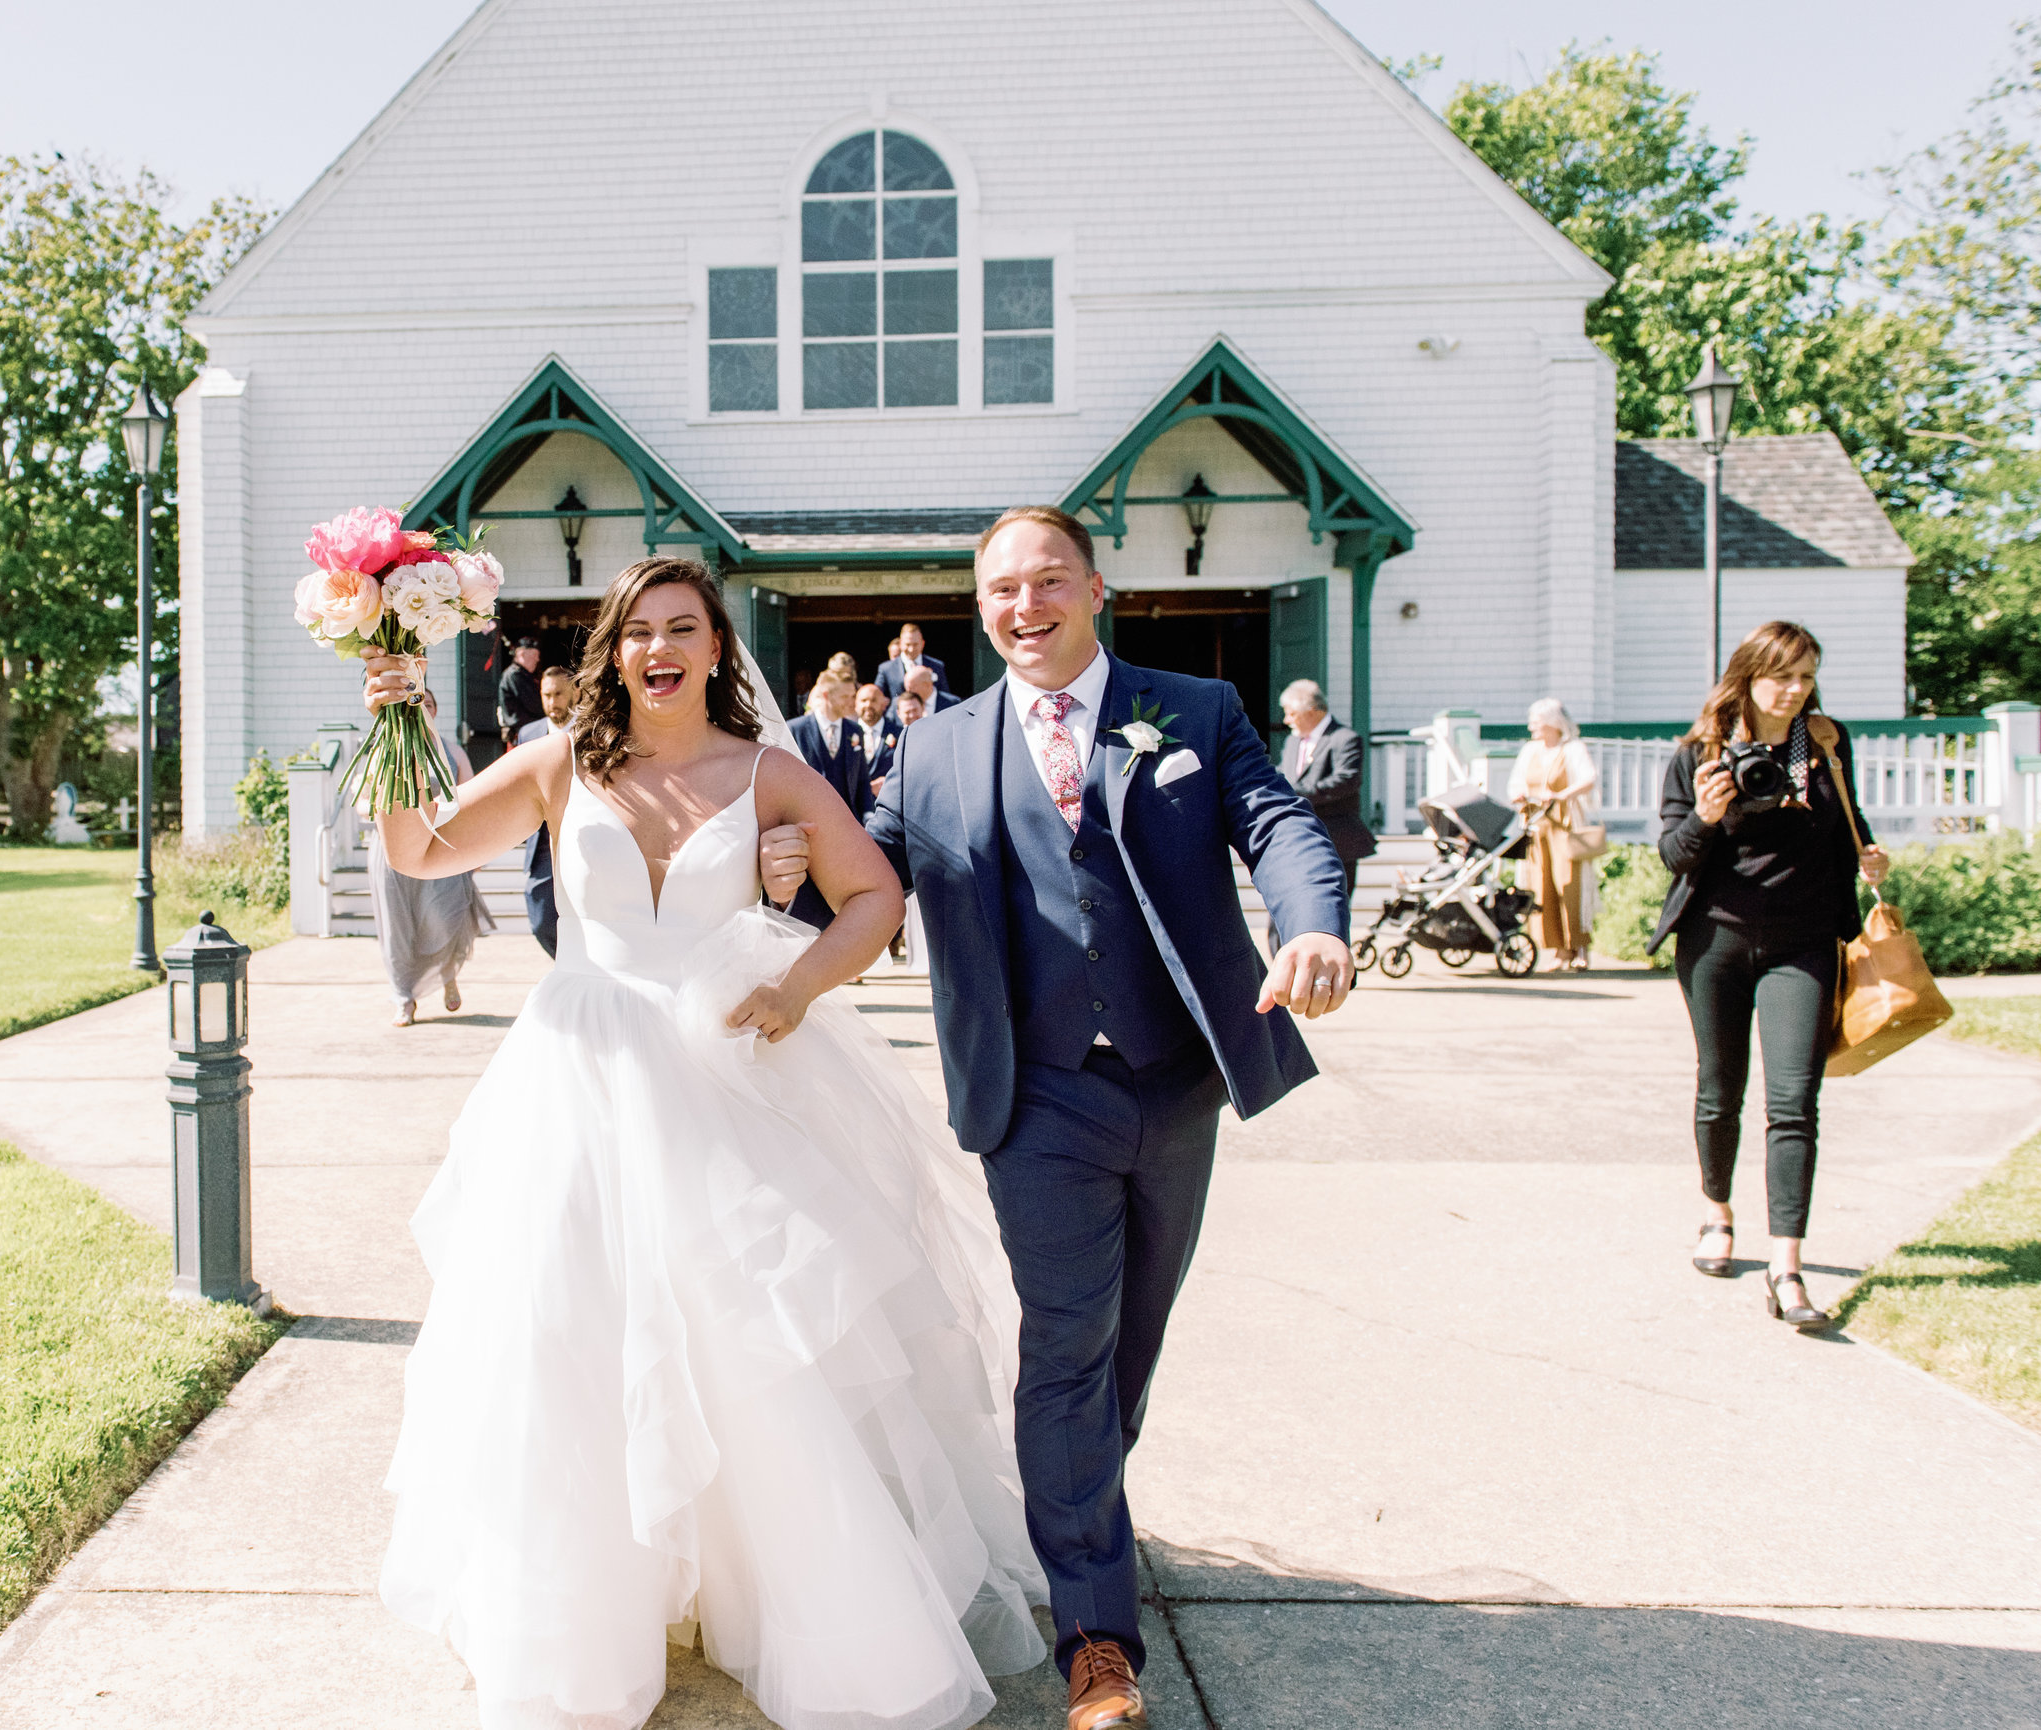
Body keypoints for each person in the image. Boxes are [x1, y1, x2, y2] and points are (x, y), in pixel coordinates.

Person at [360, 557, 1049, 1730]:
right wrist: (388, 721)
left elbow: (875, 895)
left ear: (719, 648)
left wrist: (797, 985)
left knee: (754, 1347)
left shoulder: (770, 773)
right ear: (612, 651)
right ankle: (584, 1616)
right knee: (569, 1336)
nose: (660, 648)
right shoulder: (558, 763)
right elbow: (422, 850)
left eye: (684, 627)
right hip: (577, 1080)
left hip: (729, 1076)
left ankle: (777, 1594)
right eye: (638, 631)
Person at [771, 505, 1353, 1730]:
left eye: (1047, 580)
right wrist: (769, 869)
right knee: (1069, 1344)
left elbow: (1277, 822)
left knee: (1128, 1347)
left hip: (1180, 1079)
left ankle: (1081, 1509)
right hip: (1035, 1097)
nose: (1023, 606)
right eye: (999, 589)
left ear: (1098, 589)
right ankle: (1099, 1638)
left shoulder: (1193, 710)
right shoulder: (930, 752)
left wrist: (1312, 920)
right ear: (977, 607)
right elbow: (863, 869)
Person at [1650, 620, 1889, 1333]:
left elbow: (1851, 824)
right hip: (1715, 939)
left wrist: (1870, 854)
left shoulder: (1825, 742)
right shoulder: (1698, 751)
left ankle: (1788, 1266)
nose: (1796, 690)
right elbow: (1672, 854)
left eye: (1808, 676)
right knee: (1720, 1091)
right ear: (1748, 676)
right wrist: (1705, 814)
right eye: (1783, 676)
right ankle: (1717, 1215)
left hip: (1805, 944)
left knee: (1794, 1101)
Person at [372, 691, 496, 1026]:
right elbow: (365, 799)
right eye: (414, 704)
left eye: (427, 704)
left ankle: (447, 973)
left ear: (436, 711)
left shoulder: (451, 752)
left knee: (442, 916)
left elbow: (470, 796)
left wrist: (475, 848)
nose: (421, 709)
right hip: (392, 850)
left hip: (441, 846)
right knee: (396, 925)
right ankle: (403, 999)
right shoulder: (386, 750)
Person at [1508, 697, 1600, 971]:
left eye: (1536, 721)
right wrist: (1519, 795)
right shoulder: (1530, 751)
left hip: (1566, 825)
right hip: (1538, 825)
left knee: (1570, 885)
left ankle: (1579, 947)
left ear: (1551, 722)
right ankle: (1559, 951)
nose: (1531, 726)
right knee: (1542, 887)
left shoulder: (1572, 749)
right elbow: (1515, 782)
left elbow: (1589, 778)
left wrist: (1560, 795)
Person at [1276, 679, 1375, 900]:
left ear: (1311, 711)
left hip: (1336, 838)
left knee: (1333, 904)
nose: (1286, 720)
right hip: (1294, 836)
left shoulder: (1345, 739)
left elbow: (1346, 780)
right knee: (1285, 903)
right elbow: (1283, 775)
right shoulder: (1292, 742)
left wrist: (1295, 792)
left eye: (1291, 713)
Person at [514, 668, 578, 956]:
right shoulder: (528, 734)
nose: (552, 703)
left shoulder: (593, 729)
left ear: (575, 692)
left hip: (582, 836)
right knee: (540, 919)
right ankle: (564, 962)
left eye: (558, 694)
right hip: (541, 842)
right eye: (546, 696)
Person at [790, 670, 871, 820]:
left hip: (849, 821)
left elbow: (862, 779)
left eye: (853, 696)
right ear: (827, 696)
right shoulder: (795, 730)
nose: (851, 702)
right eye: (844, 697)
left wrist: (868, 814)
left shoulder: (855, 730)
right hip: (809, 821)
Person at [875, 621, 951, 705]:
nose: (911, 649)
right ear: (900, 643)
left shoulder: (937, 666)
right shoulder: (886, 668)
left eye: (915, 644)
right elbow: (877, 697)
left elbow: (945, 696)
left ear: (922, 644)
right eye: (907, 644)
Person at [854, 680, 899, 803]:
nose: (868, 704)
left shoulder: (899, 733)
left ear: (884, 704)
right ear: (855, 704)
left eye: (874, 700)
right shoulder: (846, 734)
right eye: (863, 701)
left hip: (890, 803)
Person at [497, 637, 546, 741]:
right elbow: (534, 704)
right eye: (534, 655)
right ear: (521, 654)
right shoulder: (514, 675)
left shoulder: (524, 675)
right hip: (522, 734)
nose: (537, 659)